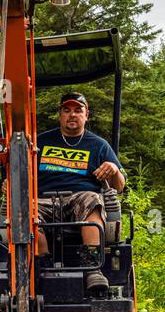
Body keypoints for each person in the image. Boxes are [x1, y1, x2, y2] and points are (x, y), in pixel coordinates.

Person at [36, 92, 126, 294]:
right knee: (26, 207)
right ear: (59, 114)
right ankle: (42, 263)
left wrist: (113, 168)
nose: (72, 115)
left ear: (87, 115)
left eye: (78, 110)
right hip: (43, 199)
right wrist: (9, 182)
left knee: (92, 198)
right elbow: (17, 173)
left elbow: (119, 186)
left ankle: (92, 267)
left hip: (80, 199)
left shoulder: (99, 145)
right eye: (66, 110)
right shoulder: (39, 142)